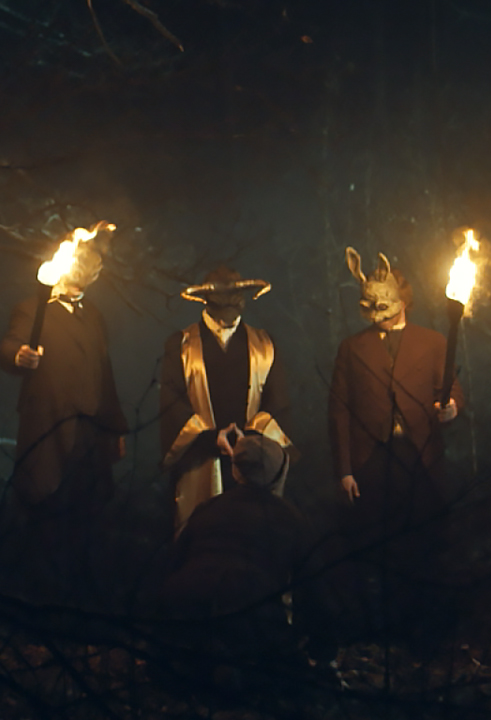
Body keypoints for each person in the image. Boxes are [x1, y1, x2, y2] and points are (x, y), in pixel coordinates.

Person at [327, 247, 462, 644]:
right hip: (372, 460)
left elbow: (450, 389)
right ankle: (383, 634)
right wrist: (345, 469)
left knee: (424, 545)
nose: (377, 312)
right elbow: (339, 410)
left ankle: (428, 631)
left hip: (420, 456)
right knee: (379, 548)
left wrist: (451, 407)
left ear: (403, 300)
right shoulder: (352, 348)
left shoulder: (433, 342)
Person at [0, 230, 127, 602]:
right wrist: (19, 355)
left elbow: (104, 373)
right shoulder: (32, 308)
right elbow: (9, 346)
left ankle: (81, 601)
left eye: (93, 270)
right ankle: (40, 601)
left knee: (87, 513)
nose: (87, 274)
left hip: (89, 433)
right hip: (49, 428)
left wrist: (115, 428)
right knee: (46, 511)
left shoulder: (94, 316)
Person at [158, 430, 315, 665]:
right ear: (279, 473)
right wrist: (322, 647)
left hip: (188, 613)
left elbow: (174, 564)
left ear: (236, 471)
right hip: (251, 615)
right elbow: (313, 585)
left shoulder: (208, 509)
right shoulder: (289, 517)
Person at [160, 266, 295, 533]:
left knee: (251, 532)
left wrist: (250, 440)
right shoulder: (181, 344)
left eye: (237, 296)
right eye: (223, 298)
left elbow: (277, 401)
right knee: (204, 532)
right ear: (206, 300)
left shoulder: (265, 344)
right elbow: (172, 403)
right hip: (201, 459)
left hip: (254, 463)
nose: (232, 304)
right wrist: (211, 439)